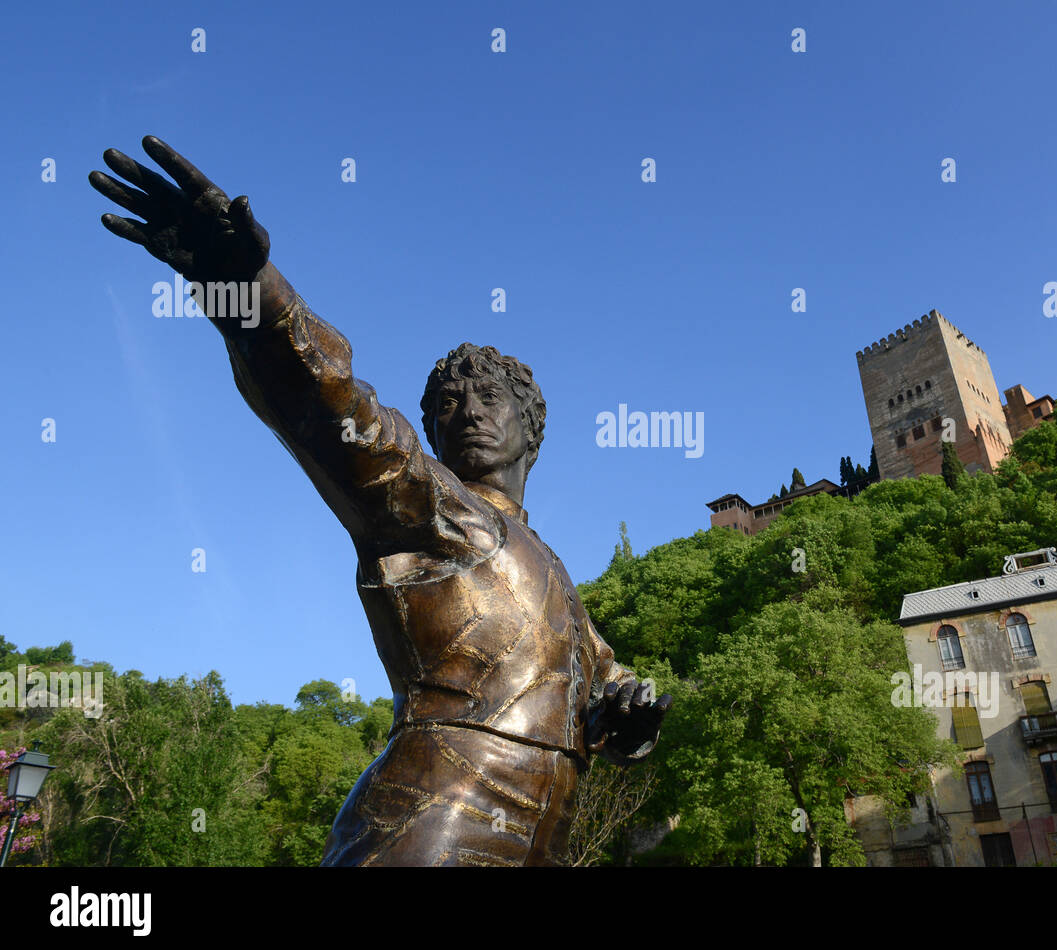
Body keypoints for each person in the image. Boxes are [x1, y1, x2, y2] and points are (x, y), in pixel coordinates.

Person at [90, 136, 670, 865]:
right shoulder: (434, 506)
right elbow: (329, 408)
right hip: (437, 810)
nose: (469, 411)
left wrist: (630, 713)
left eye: (490, 397)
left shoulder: (554, 574)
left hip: (544, 834)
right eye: (449, 404)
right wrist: (247, 294)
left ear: (532, 427)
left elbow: (609, 694)